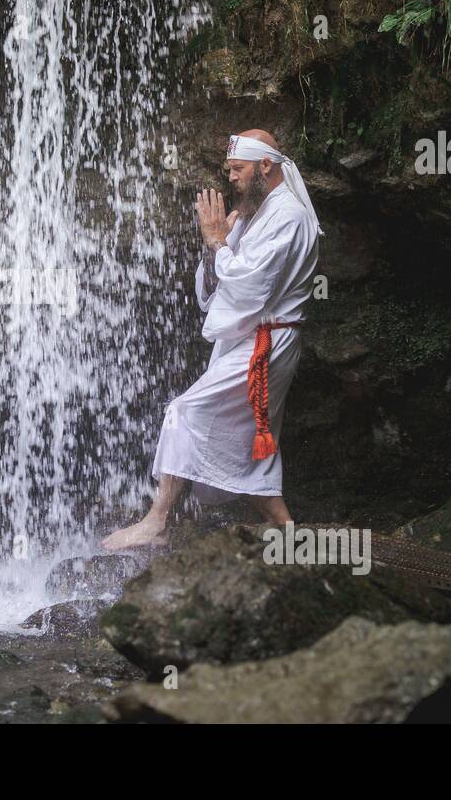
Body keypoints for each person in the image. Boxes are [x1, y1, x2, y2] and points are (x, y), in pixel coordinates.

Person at [101, 129, 322, 550]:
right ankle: (290, 536)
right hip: (252, 340)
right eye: (229, 170)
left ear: (265, 166)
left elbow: (252, 285)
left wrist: (219, 239)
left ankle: (157, 520)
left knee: (185, 412)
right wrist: (216, 243)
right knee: (255, 442)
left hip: (267, 343)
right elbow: (216, 285)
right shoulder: (258, 212)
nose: (231, 178)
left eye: (237, 169)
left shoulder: (289, 215)